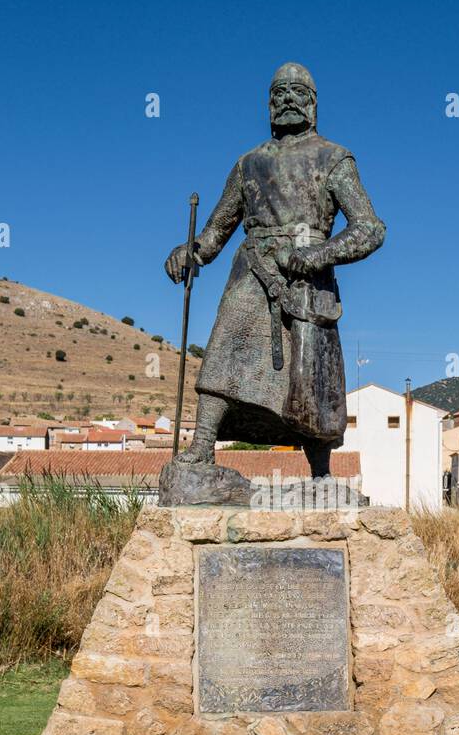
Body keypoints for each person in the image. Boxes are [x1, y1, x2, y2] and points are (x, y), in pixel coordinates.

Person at [163, 62, 386, 485]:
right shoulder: (248, 165)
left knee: (310, 379)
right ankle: (202, 445)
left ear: (313, 103)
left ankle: (321, 473)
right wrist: (190, 252)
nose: (286, 99)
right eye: (278, 92)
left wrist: (319, 254)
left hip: (307, 284)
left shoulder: (335, 158)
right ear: (268, 105)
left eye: (295, 92)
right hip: (251, 274)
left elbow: (370, 229)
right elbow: (215, 232)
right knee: (223, 354)